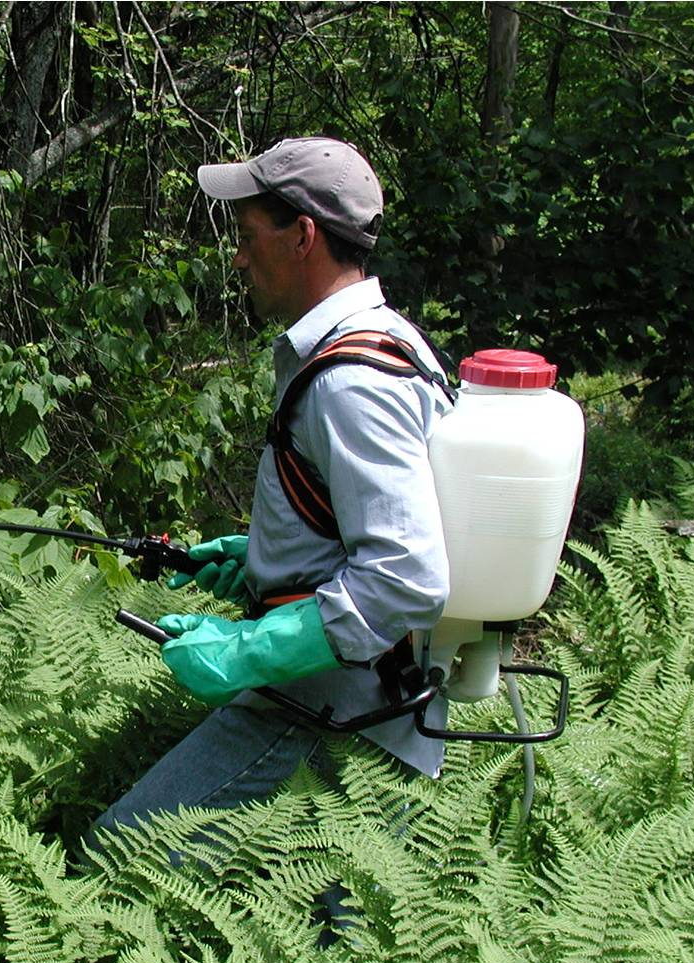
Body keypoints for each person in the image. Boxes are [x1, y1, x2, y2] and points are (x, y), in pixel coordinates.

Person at [87, 136, 454, 858]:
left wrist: (247, 650)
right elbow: (358, 518)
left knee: (122, 860)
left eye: (249, 237)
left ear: (303, 237)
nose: (238, 258)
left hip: (334, 712)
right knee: (328, 918)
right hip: (372, 703)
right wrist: (263, 559)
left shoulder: (352, 382)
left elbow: (405, 577)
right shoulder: (389, 341)